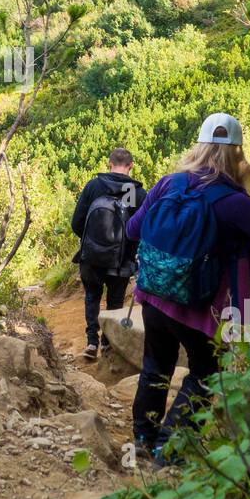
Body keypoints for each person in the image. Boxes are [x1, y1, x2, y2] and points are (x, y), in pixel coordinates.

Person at [124, 113, 250, 462]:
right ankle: (170, 447)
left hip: (154, 295)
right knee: (206, 373)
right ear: (238, 154)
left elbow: (133, 230)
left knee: (155, 367)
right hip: (199, 308)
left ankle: (143, 439)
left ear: (200, 146)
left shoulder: (168, 184)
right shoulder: (235, 203)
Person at [71, 147, 146, 359]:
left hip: (91, 257)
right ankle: (107, 343)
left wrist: (92, 242)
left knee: (92, 297)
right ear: (131, 166)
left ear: (108, 164)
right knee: (115, 302)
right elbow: (142, 229)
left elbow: (76, 223)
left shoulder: (94, 186)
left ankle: (91, 342)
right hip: (121, 261)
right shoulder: (136, 193)